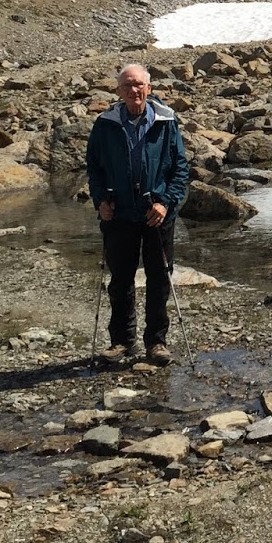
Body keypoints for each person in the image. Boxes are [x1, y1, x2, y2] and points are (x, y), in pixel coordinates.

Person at [85, 62, 189, 365]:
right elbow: (94, 167)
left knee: (159, 279)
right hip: (118, 214)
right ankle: (121, 341)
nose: (133, 90)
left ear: (149, 88)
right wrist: (100, 200)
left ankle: (156, 342)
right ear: (118, 91)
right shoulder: (105, 124)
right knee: (120, 279)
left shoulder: (166, 121)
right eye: (127, 85)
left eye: (139, 85)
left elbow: (179, 168)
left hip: (157, 213)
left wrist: (166, 202)